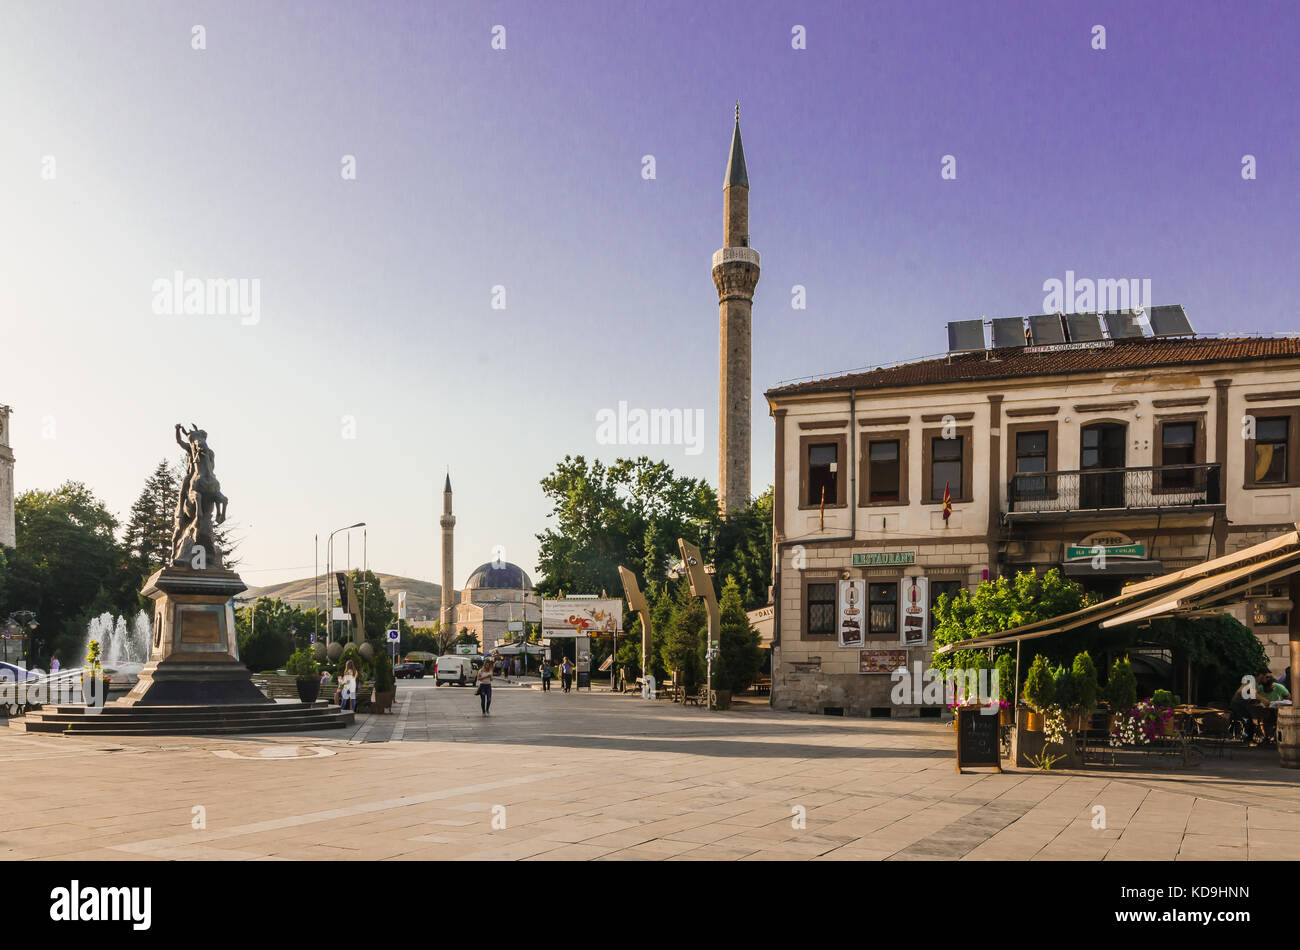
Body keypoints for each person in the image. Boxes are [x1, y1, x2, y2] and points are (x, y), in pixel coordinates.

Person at [1257, 671, 1292, 745]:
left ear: (1273, 685)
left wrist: (1281, 702)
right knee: (1264, 715)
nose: (1268, 690)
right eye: (1266, 689)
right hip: (1265, 711)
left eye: (1270, 688)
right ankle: (1267, 736)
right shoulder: (1259, 689)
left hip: (1277, 710)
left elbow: (1289, 697)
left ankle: (1273, 736)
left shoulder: (1279, 687)